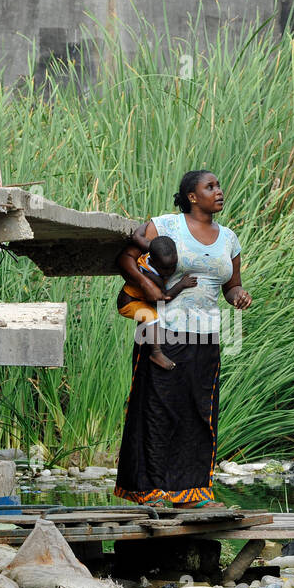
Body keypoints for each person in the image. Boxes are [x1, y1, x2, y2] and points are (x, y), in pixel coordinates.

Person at [113, 170, 252, 509]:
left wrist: (238, 295)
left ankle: (192, 494)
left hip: (206, 335)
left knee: (198, 411)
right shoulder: (165, 226)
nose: (219, 191)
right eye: (210, 187)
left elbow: (230, 285)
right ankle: (151, 492)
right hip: (161, 328)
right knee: (157, 408)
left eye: (219, 186)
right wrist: (146, 286)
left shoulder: (229, 239)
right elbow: (125, 258)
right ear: (192, 196)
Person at [116, 233, 198, 370]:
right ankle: (156, 353)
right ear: (153, 262)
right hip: (129, 303)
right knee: (151, 316)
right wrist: (181, 284)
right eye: (165, 269)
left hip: (138, 299)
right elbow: (163, 298)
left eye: (173, 266)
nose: (170, 271)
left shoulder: (153, 255)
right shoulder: (151, 276)